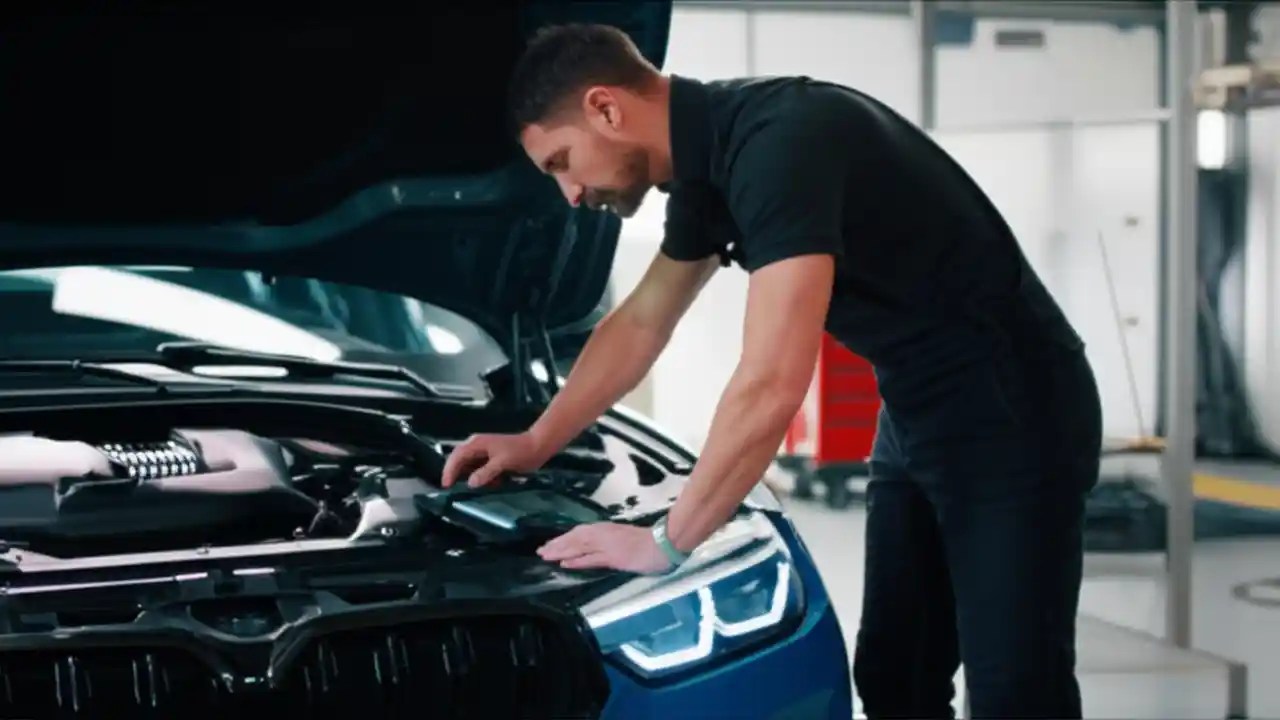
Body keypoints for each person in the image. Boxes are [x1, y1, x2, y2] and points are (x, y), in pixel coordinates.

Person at [441, 22, 1103, 720]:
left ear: (606, 108)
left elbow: (772, 379)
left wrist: (666, 542)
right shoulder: (705, 167)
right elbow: (641, 322)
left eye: (561, 163)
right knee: (895, 674)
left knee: (1015, 693)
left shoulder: (783, 144)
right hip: (917, 408)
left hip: (1015, 409)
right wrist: (536, 441)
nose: (570, 194)